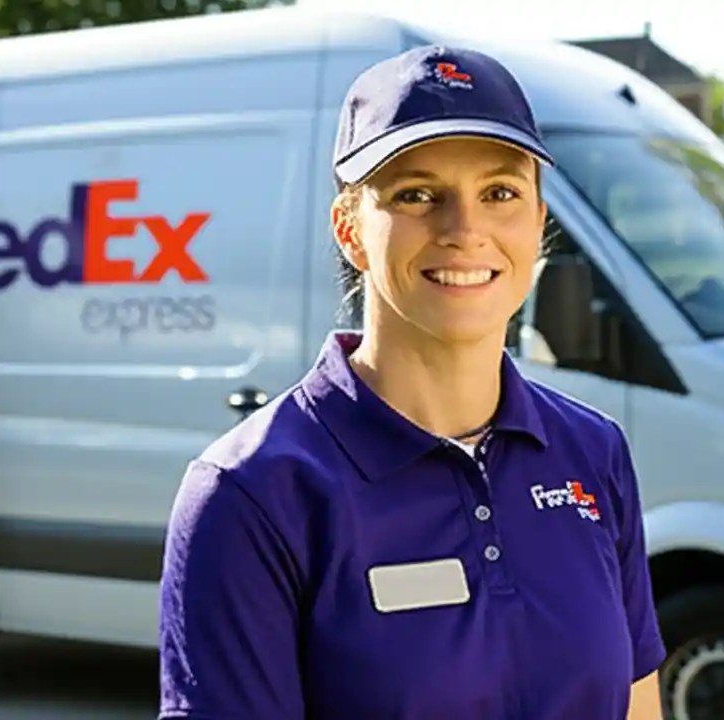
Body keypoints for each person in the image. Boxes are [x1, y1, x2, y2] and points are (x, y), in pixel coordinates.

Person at [157, 44, 666, 720]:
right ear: (351, 231)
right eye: (418, 195)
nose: (465, 230)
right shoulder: (253, 493)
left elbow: (637, 707)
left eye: (500, 193)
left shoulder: (592, 453)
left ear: (539, 222)